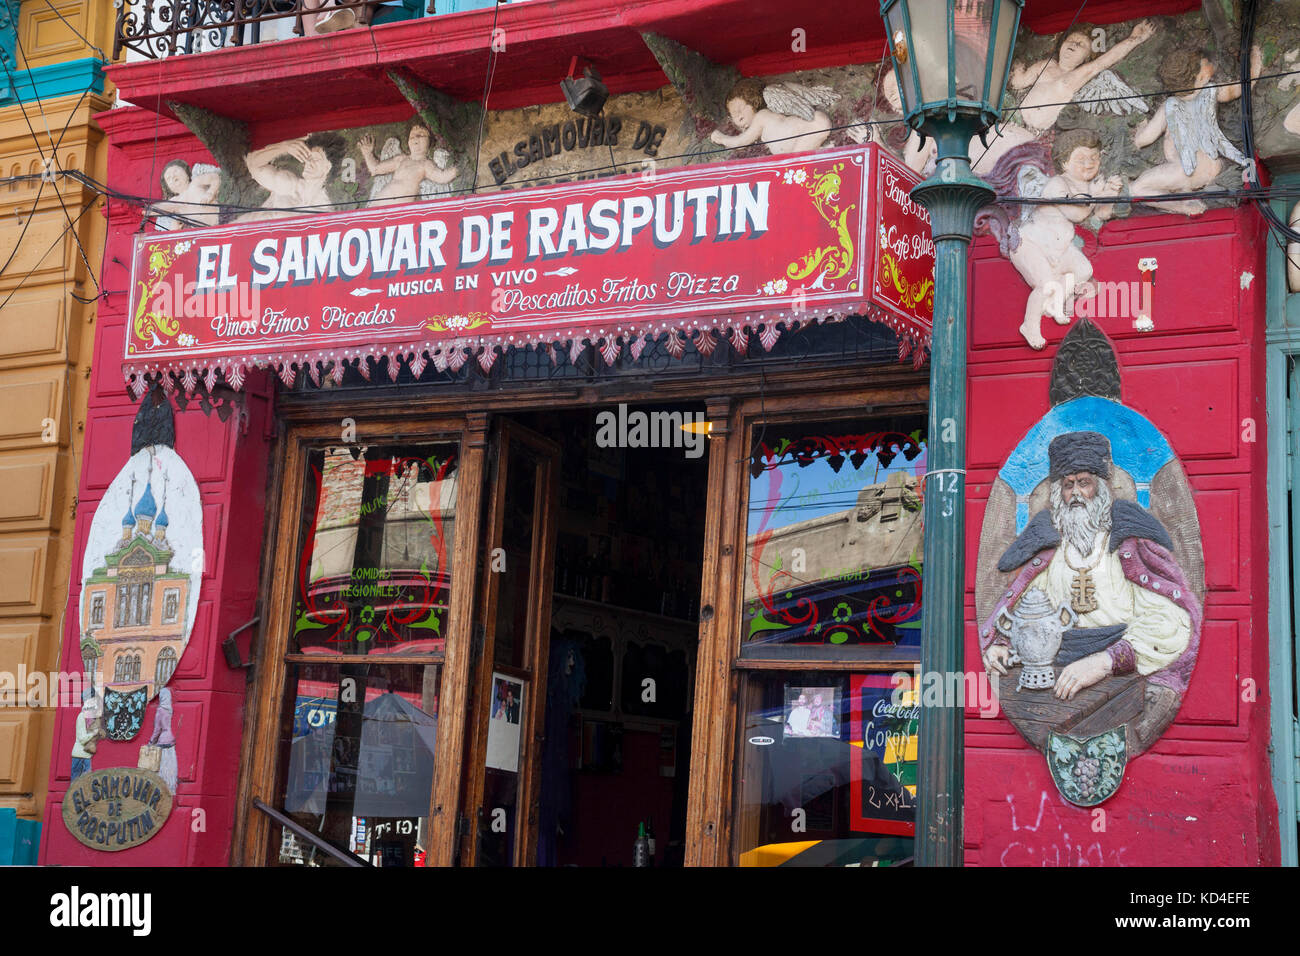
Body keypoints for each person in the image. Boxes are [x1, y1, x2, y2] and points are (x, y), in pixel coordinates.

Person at [980, 431, 1199, 703]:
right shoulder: (1050, 553)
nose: (1076, 494)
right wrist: (1003, 643)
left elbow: (1170, 622)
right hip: (1055, 671)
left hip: (1118, 679)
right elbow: (1028, 612)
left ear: (1102, 489)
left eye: (1084, 483)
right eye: (1068, 485)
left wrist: (1105, 661)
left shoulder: (1128, 549)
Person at [1007, 128, 1122, 349]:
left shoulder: (1088, 187)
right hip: (1031, 243)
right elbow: (1077, 214)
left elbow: (1100, 215)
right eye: (1081, 159)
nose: (1089, 163)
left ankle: (1059, 301)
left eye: (1094, 157)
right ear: (1065, 163)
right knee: (1045, 284)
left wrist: (1109, 193)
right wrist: (1097, 195)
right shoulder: (1058, 184)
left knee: (1083, 270)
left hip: (1059, 245)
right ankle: (1030, 324)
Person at [1131, 47, 1260, 216]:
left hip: (1186, 170)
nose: (1209, 63)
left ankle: (1184, 207)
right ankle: (1185, 198)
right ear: (1199, 78)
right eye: (1205, 63)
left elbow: (1144, 139)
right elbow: (1241, 87)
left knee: (1137, 188)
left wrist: (1139, 129)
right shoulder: (1212, 93)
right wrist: (1255, 64)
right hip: (1211, 166)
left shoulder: (1168, 106)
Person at [1009, 21, 1155, 134]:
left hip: (1039, 131)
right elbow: (1019, 82)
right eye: (1070, 40)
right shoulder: (1046, 65)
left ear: (1086, 58)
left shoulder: (1077, 75)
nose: (1074, 44)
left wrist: (1135, 38)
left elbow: (1105, 61)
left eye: (1081, 44)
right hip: (1015, 119)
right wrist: (1018, 64)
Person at [709, 79, 834, 155]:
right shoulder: (765, 118)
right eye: (734, 116)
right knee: (795, 160)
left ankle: (819, 152)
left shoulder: (761, 117)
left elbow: (741, 142)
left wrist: (721, 138)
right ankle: (821, 152)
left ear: (754, 101)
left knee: (794, 163)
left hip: (810, 129)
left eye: (740, 110)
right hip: (807, 136)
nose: (739, 119)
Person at [239, 134, 344, 222]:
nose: (308, 162)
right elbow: (252, 164)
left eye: (315, 159)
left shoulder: (325, 207)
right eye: (309, 158)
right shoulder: (289, 185)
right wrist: (283, 147)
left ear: (327, 167)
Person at [358, 124, 459, 206]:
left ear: (430, 141)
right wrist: (367, 154)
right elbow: (375, 169)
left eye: (421, 135)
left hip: (401, 204)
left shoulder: (425, 164)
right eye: (412, 136)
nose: (416, 138)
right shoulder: (401, 159)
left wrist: (458, 169)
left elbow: (442, 177)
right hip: (381, 199)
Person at [151, 159, 222, 230]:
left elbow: (215, 177)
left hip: (221, 219)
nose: (172, 176)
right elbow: (158, 208)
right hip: (203, 231)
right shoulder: (175, 201)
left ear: (186, 173)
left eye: (176, 171)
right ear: (169, 188)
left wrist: (211, 192)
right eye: (168, 178)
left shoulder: (195, 183)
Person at [148, 686, 178, 793]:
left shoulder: (160, 710)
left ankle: (162, 788)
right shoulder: (169, 709)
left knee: (162, 767)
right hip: (170, 740)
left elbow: (157, 730)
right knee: (170, 766)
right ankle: (171, 787)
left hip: (162, 740)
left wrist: (150, 742)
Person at [71, 689, 103, 781]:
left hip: (87, 756)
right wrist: (94, 733)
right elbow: (82, 739)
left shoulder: (92, 718)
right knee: (75, 784)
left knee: (86, 785)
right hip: (79, 756)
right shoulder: (81, 717)